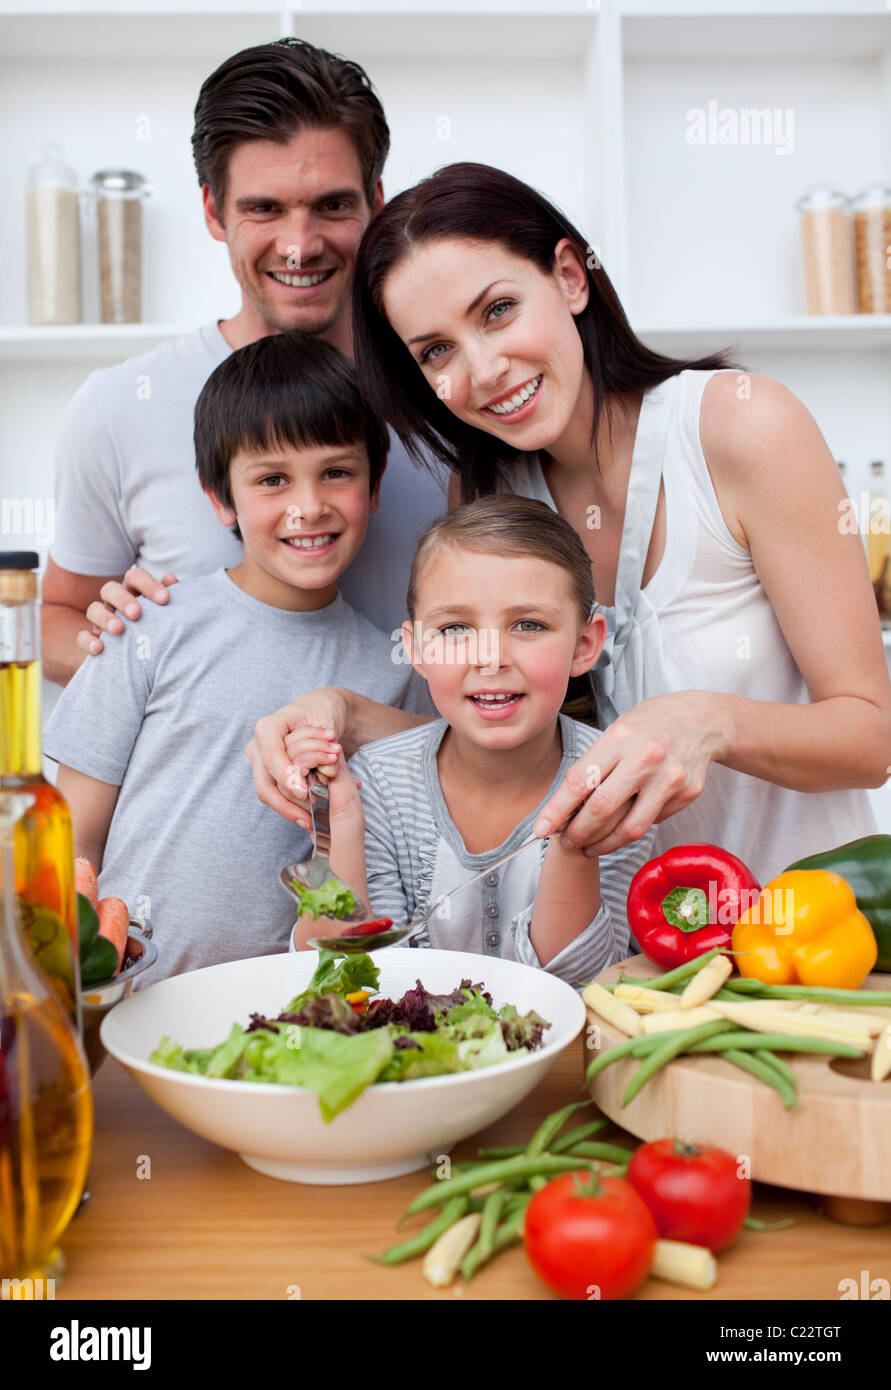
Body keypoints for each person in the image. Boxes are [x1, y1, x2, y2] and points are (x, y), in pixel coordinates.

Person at [248, 162, 891, 884]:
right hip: (630, 965)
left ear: (568, 277)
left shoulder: (740, 426)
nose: (484, 369)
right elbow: (506, 740)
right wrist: (341, 716)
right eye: (436, 351)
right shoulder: (489, 492)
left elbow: (868, 736)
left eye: (496, 311)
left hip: (811, 942)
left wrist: (707, 721)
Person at [41, 37, 449, 686]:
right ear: (213, 210)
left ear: (375, 201)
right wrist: (123, 644)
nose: (300, 245)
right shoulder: (117, 408)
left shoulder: (451, 390)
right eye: (264, 208)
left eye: (331, 205)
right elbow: (55, 616)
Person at [42, 334, 433, 987]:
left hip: (287, 1014)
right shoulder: (147, 625)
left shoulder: (392, 671)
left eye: (336, 472)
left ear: (373, 486)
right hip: (129, 1000)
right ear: (220, 497)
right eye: (272, 479)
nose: (307, 506)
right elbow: (74, 838)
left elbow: (383, 858)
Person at [288, 495, 651, 987]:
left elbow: (584, 984)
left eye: (528, 625)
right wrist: (341, 827)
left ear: (585, 645)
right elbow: (339, 974)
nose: (490, 657)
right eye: (456, 627)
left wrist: (574, 846)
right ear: (415, 648)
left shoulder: (614, 780)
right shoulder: (375, 781)